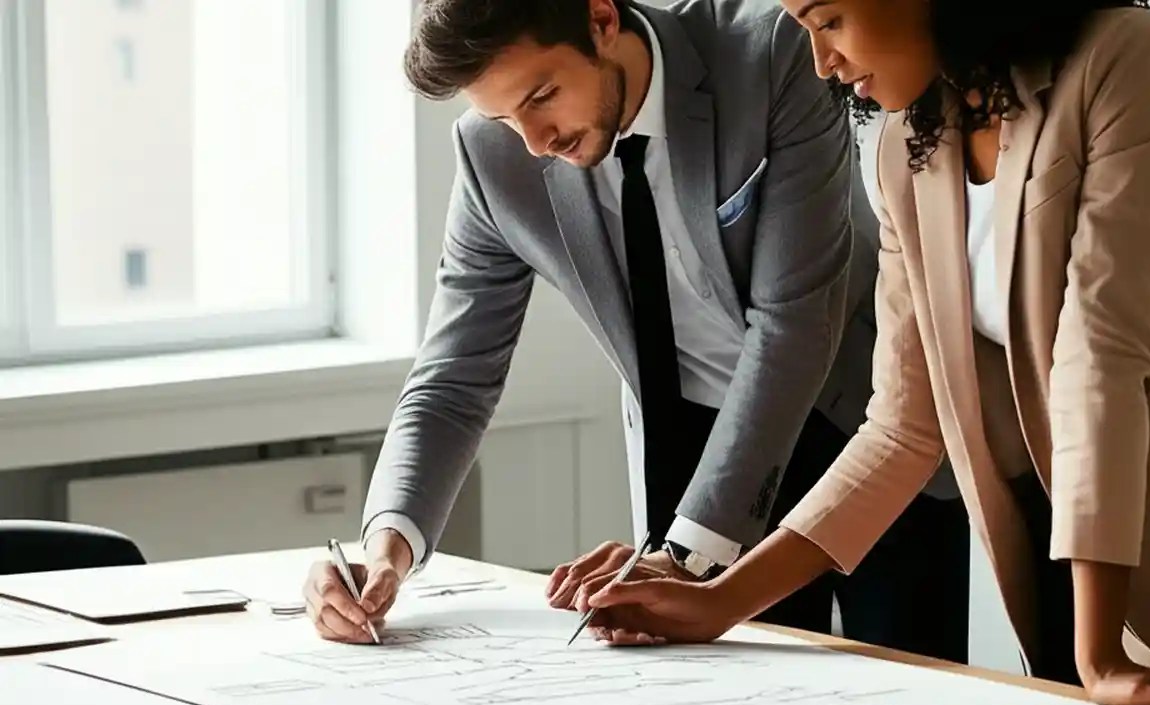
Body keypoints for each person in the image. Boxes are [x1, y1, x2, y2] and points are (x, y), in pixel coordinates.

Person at [586, 1, 1150, 705]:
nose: (821, 62)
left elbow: (1100, 356)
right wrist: (719, 601)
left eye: (829, 21)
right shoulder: (906, 147)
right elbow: (901, 427)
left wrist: (1099, 654)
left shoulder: (1125, 59)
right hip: (1054, 577)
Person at [301, 0, 969, 661]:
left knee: (908, 686)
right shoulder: (492, 154)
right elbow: (453, 376)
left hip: (866, 435)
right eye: (504, 117)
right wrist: (385, 551)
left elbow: (792, 322)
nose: (536, 141)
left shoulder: (769, 55)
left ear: (600, 19)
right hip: (691, 456)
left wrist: (689, 553)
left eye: (542, 96)